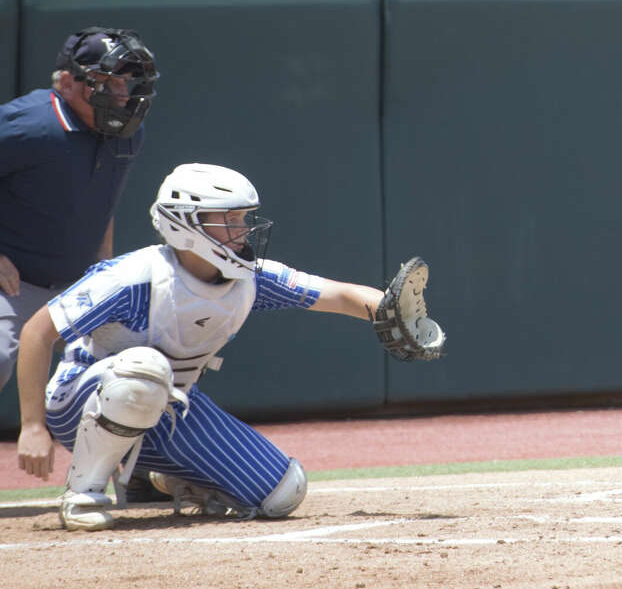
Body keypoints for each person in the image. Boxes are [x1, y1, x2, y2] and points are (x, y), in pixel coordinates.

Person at [15, 163, 444, 531]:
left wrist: (392, 313)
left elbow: (336, 294)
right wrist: (33, 426)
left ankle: (153, 476)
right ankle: (83, 494)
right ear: (186, 223)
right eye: (230, 219)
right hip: (81, 402)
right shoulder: (133, 277)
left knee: (281, 493)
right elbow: (37, 333)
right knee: (145, 371)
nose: (243, 230)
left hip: (171, 404)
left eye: (243, 218)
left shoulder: (249, 278)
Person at [0, 27, 158, 395]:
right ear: (68, 82)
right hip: (13, 283)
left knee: (139, 370)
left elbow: (102, 201)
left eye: (127, 83)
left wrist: (103, 269)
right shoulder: (30, 124)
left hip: (76, 286)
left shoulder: (128, 130)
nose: (121, 95)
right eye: (108, 82)